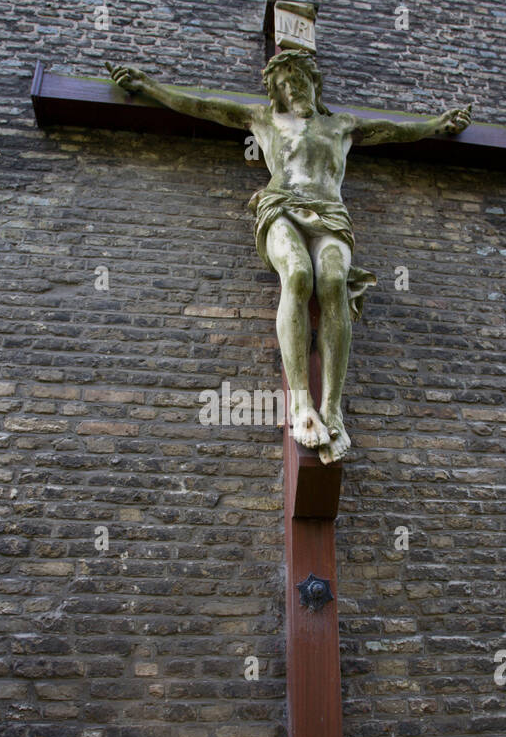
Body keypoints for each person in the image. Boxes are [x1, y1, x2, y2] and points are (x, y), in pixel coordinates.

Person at [106, 51, 470, 463]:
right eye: (282, 85)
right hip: (280, 207)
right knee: (297, 275)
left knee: (332, 282)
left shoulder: (342, 125)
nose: (291, 89)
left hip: (330, 216)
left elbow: (396, 131)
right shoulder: (264, 120)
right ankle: (300, 404)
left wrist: (438, 124)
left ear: (314, 83)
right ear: (275, 94)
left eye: (297, 81)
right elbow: (203, 106)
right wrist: (151, 88)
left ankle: (331, 406)